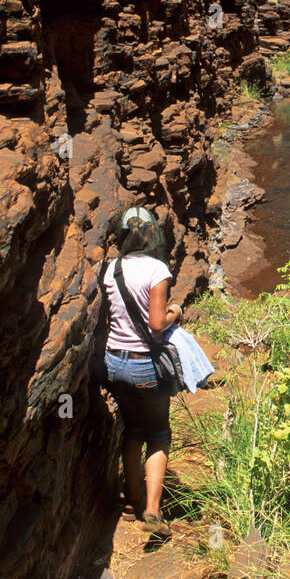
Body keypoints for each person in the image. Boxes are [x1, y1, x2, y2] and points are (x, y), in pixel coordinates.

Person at [99, 207, 182, 538]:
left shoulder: (111, 268)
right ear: (150, 234)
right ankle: (152, 509)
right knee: (159, 433)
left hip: (113, 363)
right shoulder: (157, 269)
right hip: (144, 363)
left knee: (133, 430)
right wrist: (176, 311)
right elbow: (157, 324)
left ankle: (131, 502)